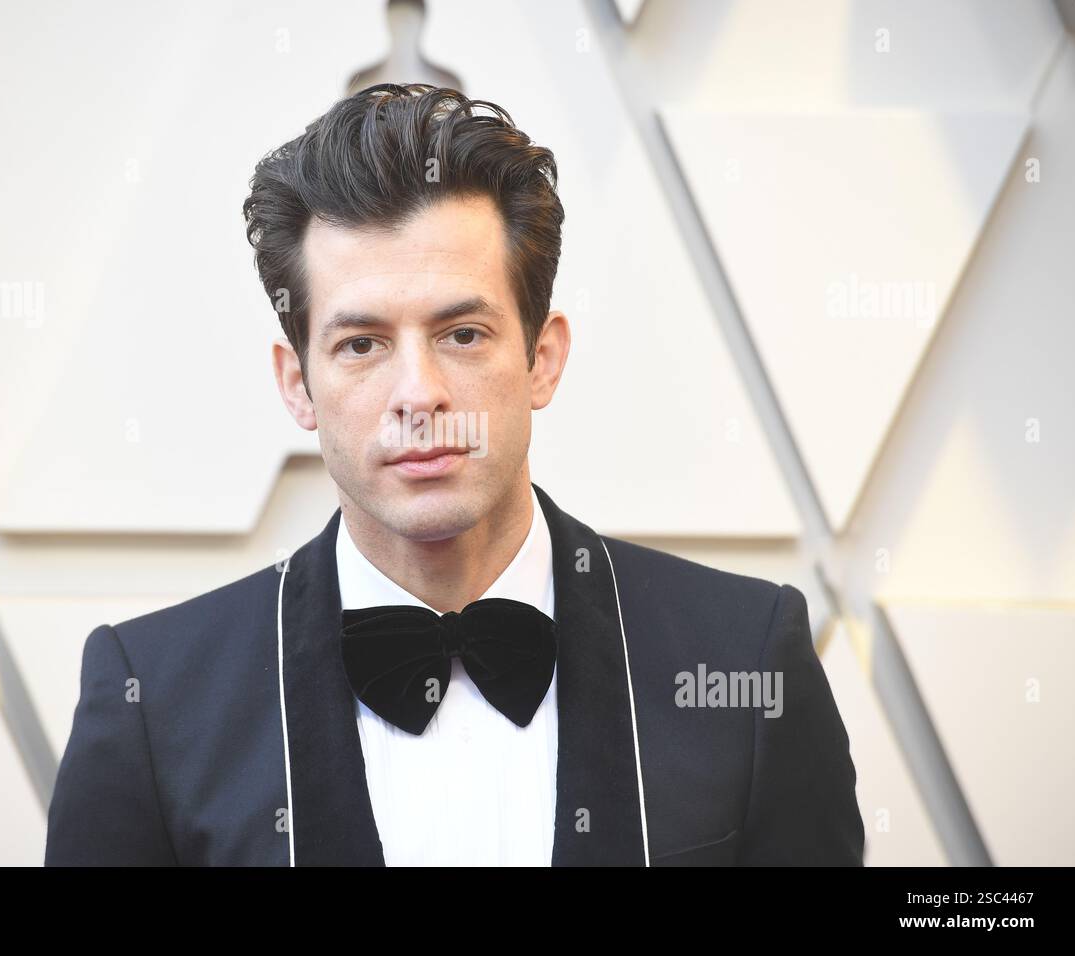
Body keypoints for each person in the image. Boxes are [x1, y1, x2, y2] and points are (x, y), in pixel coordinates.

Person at [44, 83, 864, 866]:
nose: (419, 395)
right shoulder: (149, 699)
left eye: (463, 334)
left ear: (543, 359)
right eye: (361, 344)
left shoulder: (748, 656)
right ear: (297, 384)